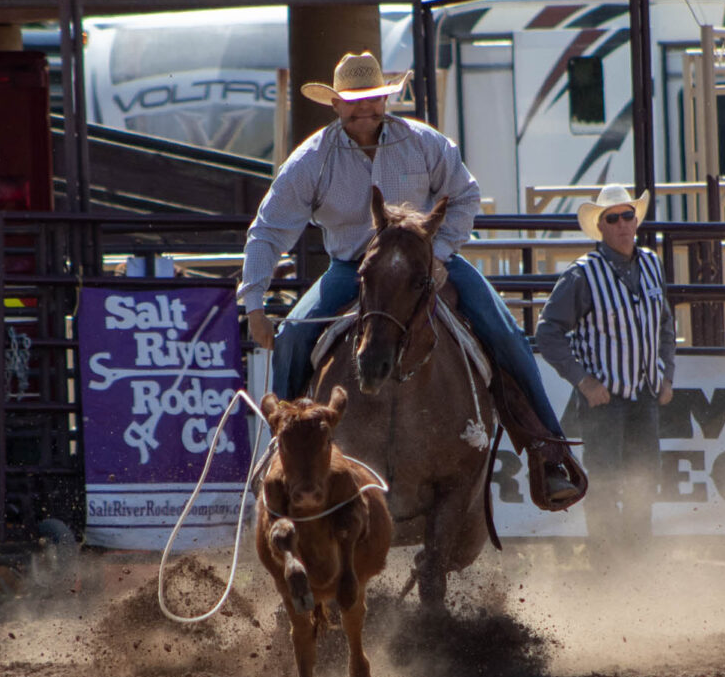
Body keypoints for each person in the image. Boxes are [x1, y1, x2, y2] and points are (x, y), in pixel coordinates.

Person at [239, 52, 579, 503]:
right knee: (295, 337)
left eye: (373, 99)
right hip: (353, 268)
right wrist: (255, 303)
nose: (365, 109)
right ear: (336, 104)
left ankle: (547, 452)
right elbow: (269, 228)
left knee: (507, 334)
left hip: (427, 261)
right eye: (355, 101)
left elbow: (465, 196)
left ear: (386, 99)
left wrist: (436, 254)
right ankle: (279, 459)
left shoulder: (424, 143)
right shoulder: (312, 160)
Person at [535, 184, 675, 558]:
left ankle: (636, 555)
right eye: (612, 218)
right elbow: (548, 333)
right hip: (604, 401)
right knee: (606, 482)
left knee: (644, 479)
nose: (622, 224)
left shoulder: (650, 263)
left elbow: (664, 323)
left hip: (643, 394)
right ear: (601, 226)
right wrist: (583, 381)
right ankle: (606, 557)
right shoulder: (582, 275)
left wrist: (666, 373)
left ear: (636, 219)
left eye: (627, 215)